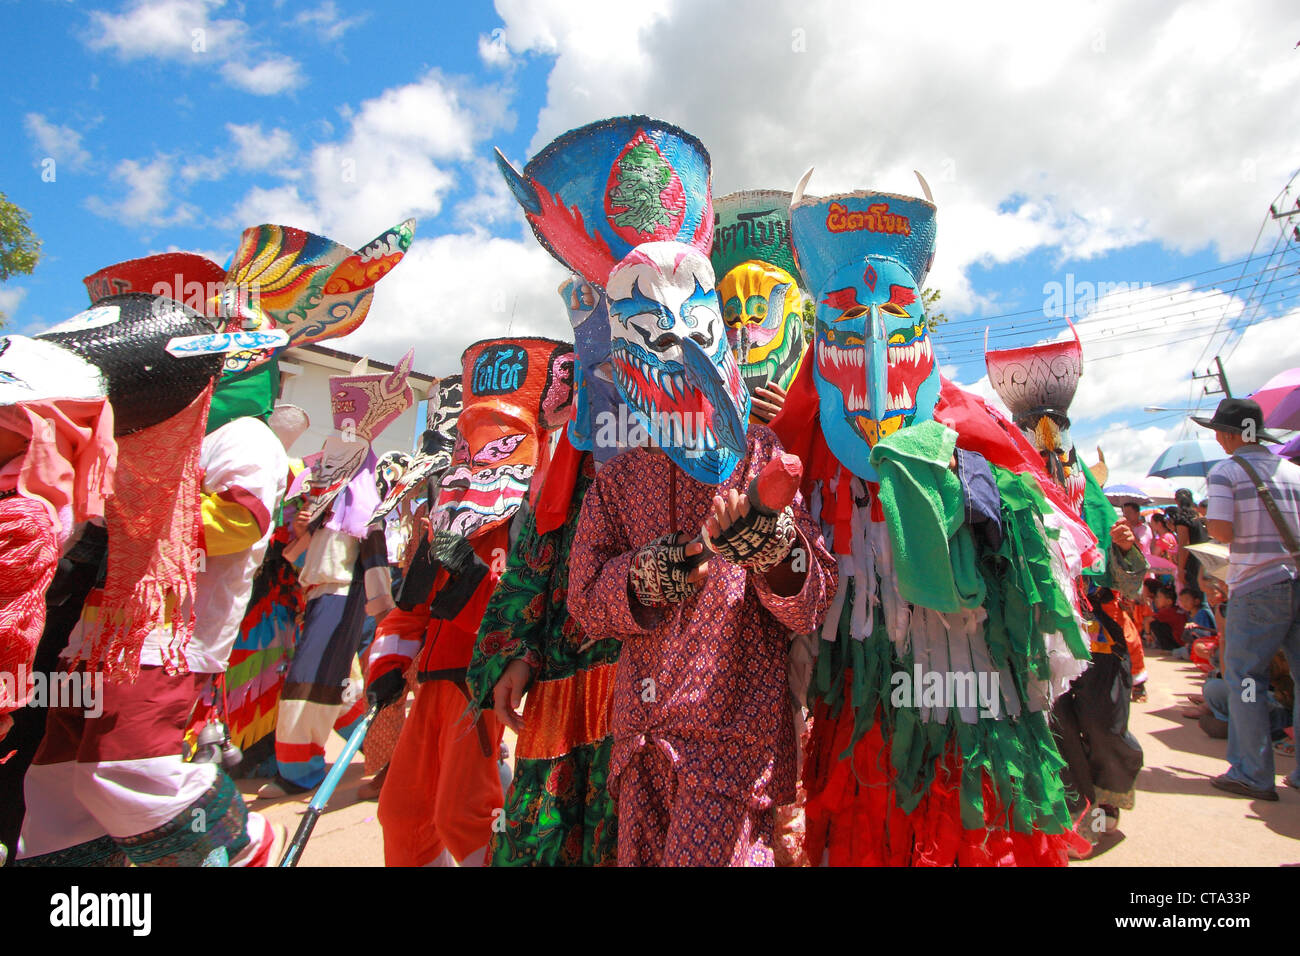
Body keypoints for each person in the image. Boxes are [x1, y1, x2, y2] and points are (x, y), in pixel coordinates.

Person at [1194, 397, 1300, 800]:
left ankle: (1252, 771)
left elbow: (1221, 531)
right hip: (1296, 581)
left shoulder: (1227, 472)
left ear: (1227, 434)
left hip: (1257, 587)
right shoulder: (1293, 471)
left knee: (1247, 680)